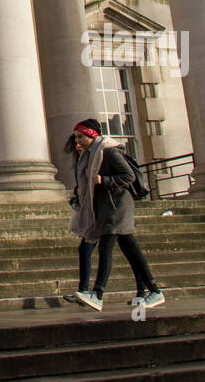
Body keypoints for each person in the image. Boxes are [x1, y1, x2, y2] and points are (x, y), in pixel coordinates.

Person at [67, 117, 164, 312]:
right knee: (131, 250)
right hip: (107, 206)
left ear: (91, 135)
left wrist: (104, 180)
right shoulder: (89, 155)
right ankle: (153, 290)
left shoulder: (108, 152)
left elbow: (128, 176)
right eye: (76, 137)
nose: (77, 141)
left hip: (118, 205)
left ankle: (98, 294)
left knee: (106, 246)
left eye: (80, 136)